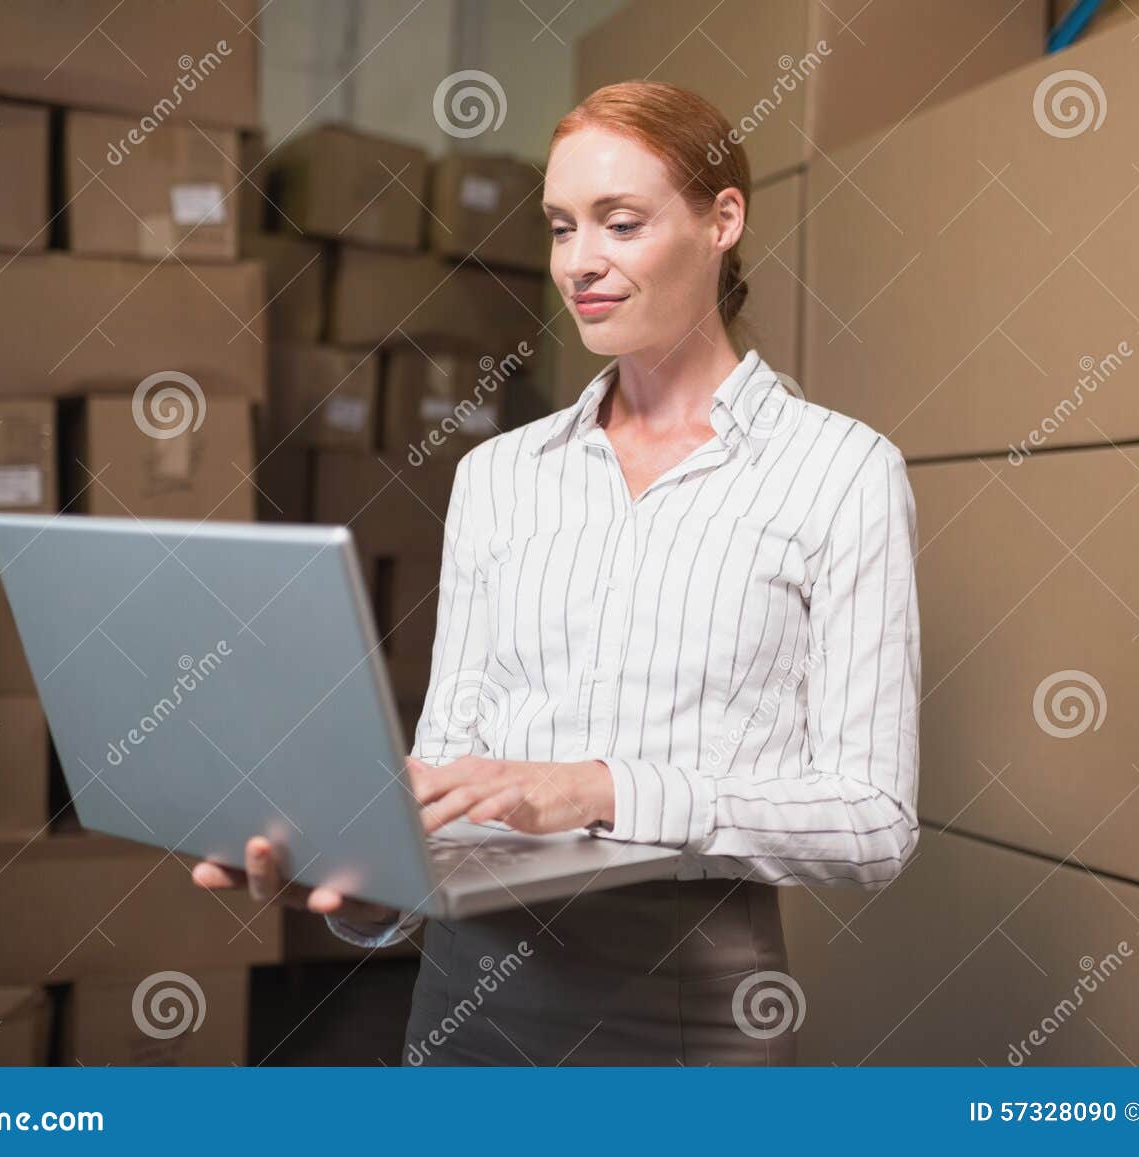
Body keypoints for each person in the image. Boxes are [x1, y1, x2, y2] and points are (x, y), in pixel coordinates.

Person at [193, 80, 921, 1065]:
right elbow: (449, 772)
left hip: (692, 1014)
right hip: (465, 1006)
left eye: (621, 223)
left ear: (722, 220)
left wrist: (599, 787)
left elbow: (870, 821)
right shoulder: (499, 474)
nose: (581, 262)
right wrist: (375, 879)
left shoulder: (840, 472)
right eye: (561, 226)